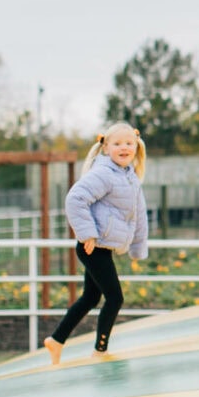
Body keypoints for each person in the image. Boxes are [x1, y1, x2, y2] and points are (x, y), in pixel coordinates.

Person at [43, 122, 150, 365]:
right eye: (117, 144)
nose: (124, 148)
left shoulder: (130, 177)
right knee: (115, 298)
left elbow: (139, 214)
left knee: (91, 297)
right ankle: (100, 350)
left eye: (129, 143)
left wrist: (137, 248)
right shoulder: (104, 174)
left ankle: (56, 340)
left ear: (136, 146)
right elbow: (75, 199)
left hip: (102, 247)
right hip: (93, 246)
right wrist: (87, 234)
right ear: (105, 148)